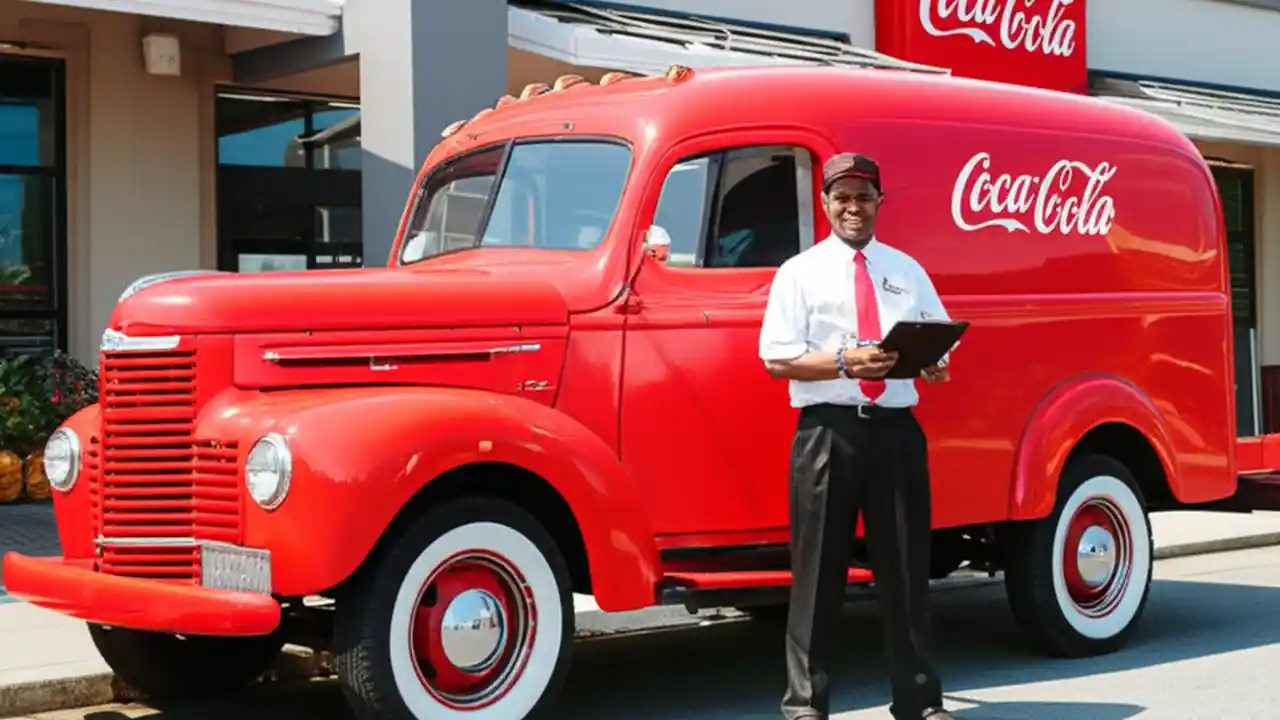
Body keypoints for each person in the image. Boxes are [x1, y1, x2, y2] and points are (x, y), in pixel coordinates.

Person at [758, 153, 956, 720]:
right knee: (818, 578)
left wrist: (935, 361)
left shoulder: (906, 269)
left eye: (864, 197)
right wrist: (848, 362)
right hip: (828, 433)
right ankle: (805, 708)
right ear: (824, 204)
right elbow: (777, 359)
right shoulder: (798, 272)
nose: (853, 207)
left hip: (896, 432)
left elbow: (938, 333)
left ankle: (919, 701)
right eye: (841, 197)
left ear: (879, 204)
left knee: (907, 572)